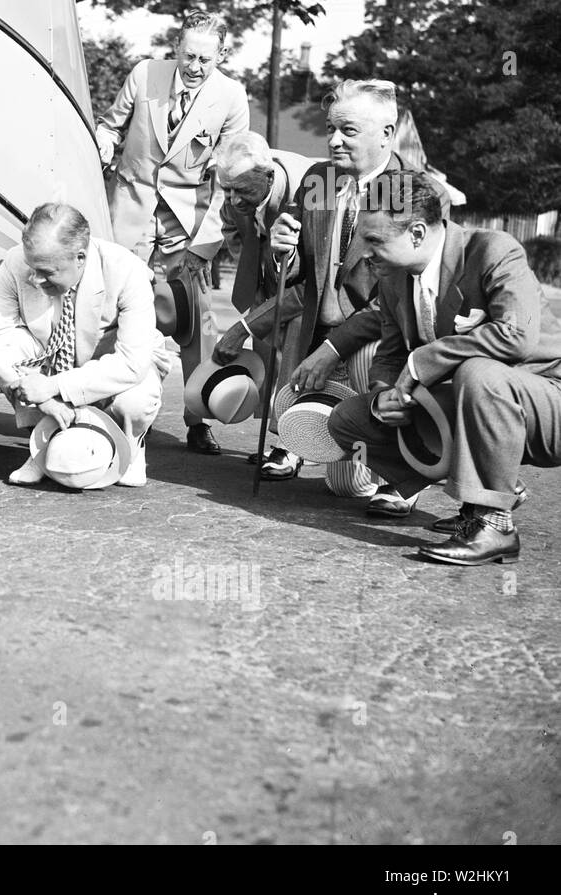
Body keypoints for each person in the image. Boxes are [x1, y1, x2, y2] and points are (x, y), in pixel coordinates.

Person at [327, 171, 561, 565]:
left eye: (374, 241)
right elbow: (389, 355)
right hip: (480, 407)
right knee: (349, 419)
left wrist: (425, 359)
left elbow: (516, 336)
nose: (362, 253)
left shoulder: (494, 250)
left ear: (417, 233)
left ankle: (495, 523)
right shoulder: (391, 280)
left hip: (547, 401)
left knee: (478, 373)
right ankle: (490, 492)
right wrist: (386, 394)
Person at [246, 79, 412, 510]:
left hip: (378, 342)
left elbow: (394, 301)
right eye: (331, 129)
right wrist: (280, 249)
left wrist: (334, 349)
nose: (334, 141)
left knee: (366, 354)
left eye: (349, 131)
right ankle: (297, 444)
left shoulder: (411, 193)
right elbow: (296, 270)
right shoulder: (320, 179)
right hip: (316, 329)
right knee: (346, 487)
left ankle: (403, 473)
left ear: (387, 135)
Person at [96, 10, 250, 456]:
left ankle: (197, 418)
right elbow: (110, 125)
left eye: (205, 58)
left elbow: (232, 174)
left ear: (222, 54)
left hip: (188, 223)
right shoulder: (144, 74)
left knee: (196, 321)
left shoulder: (232, 97)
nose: (195, 66)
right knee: (113, 308)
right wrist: (105, 143)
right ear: (176, 49)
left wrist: (205, 246)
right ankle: (102, 407)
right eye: (188, 55)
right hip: (130, 209)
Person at [0, 202, 165, 487]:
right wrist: (42, 399)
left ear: (80, 257)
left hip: (109, 363)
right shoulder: (15, 263)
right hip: (48, 359)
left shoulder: (127, 270)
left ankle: (131, 445)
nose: (36, 279)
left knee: (134, 401)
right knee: (6, 351)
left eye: (47, 272)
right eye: (32, 267)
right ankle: (44, 441)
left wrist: (53, 386)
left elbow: (131, 364)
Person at [209, 132, 315, 476]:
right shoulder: (236, 186)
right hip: (271, 272)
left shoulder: (311, 192)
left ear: (268, 177)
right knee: (268, 347)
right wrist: (257, 274)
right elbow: (231, 227)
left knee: (295, 339)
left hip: (311, 285)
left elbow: (307, 288)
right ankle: (282, 439)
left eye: (242, 190)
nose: (233, 199)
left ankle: (292, 445)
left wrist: (246, 325)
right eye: (227, 190)